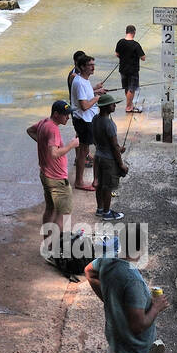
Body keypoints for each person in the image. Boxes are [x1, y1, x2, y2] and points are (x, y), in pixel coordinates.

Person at [87, 235, 168, 353]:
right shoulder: (132, 280)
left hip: (117, 344)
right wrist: (156, 307)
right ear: (140, 249)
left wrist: (109, 299)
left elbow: (89, 271)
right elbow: (138, 326)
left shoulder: (108, 260)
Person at [27, 100, 79, 236]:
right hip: (57, 178)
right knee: (64, 213)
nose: (68, 117)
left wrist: (44, 144)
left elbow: (30, 131)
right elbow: (54, 153)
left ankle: (48, 243)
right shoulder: (53, 129)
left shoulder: (44, 122)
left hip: (46, 175)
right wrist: (71, 145)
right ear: (56, 114)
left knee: (50, 209)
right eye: (65, 115)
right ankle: (57, 247)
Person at [70, 54, 105, 192]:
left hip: (88, 120)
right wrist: (96, 99)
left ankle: (80, 180)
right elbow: (84, 105)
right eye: (90, 65)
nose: (93, 67)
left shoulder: (84, 81)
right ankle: (79, 181)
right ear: (82, 67)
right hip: (83, 121)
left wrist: (96, 91)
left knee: (84, 151)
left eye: (93, 64)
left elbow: (86, 97)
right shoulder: (79, 82)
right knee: (83, 153)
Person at [91, 92, 126, 220]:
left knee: (99, 185)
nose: (115, 106)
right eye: (113, 104)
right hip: (108, 160)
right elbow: (114, 146)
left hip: (99, 155)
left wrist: (115, 148)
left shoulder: (95, 119)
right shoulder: (109, 124)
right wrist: (121, 164)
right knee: (108, 186)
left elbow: (97, 140)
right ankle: (107, 213)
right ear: (106, 107)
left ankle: (100, 209)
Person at [114, 26, 146, 114]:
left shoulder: (120, 42)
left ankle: (130, 104)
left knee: (126, 87)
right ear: (134, 32)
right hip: (133, 70)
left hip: (122, 69)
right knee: (131, 89)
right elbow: (143, 58)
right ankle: (128, 107)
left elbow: (117, 54)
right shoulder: (136, 44)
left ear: (126, 32)